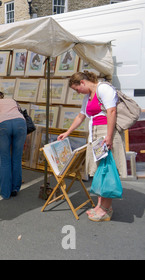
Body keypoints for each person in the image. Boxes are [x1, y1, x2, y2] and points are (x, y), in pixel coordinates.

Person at [57, 71, 127, 222]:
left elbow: (111, 111)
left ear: (83, 82)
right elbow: (81, 116)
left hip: (105, 133)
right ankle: (100, 205)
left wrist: (108, 136)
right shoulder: (88, 96)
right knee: (99, 170)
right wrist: (67, 132)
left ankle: (106, 209)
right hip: (95, 134)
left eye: (77, 89)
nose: (77, 92)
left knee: (106, 170)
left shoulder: (103, 89)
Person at [0, 91, 27, 199]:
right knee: (17, 158)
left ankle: (5, 193)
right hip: (20, 123)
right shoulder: (12, 100)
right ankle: (15, 188)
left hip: (3, 125)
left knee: (5, 160)